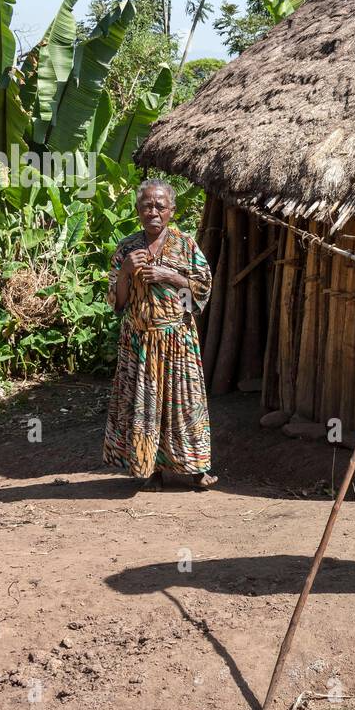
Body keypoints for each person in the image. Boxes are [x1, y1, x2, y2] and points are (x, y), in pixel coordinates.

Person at [102, 178, 218, 491]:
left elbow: (203, 291)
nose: (153, 211)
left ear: (171, 211)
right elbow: (118, 303)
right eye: (146, 206)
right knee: (143, 408)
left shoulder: (186, 245)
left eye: (160, 206)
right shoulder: (127, 248)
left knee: (184, 405)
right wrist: (126, 271)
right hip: (139, 341)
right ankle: (149, 470)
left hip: (177, 339)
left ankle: (194, 470)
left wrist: (171, 275)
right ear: (138, 210)